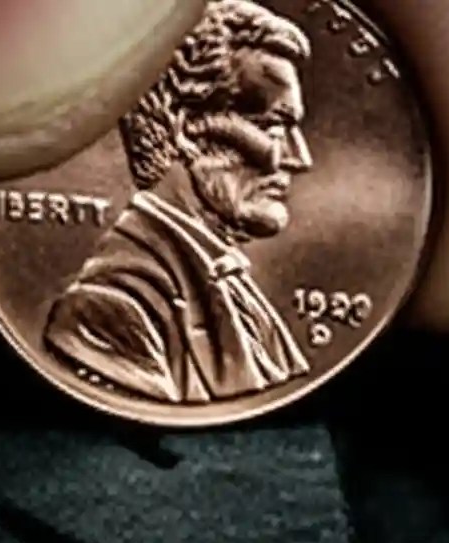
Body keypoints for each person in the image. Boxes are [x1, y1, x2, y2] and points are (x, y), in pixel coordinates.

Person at [42, 0, 315, 404]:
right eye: (273, 126)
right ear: (187, 129)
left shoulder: (233, 285)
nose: (300, 159)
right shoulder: (109, 307)